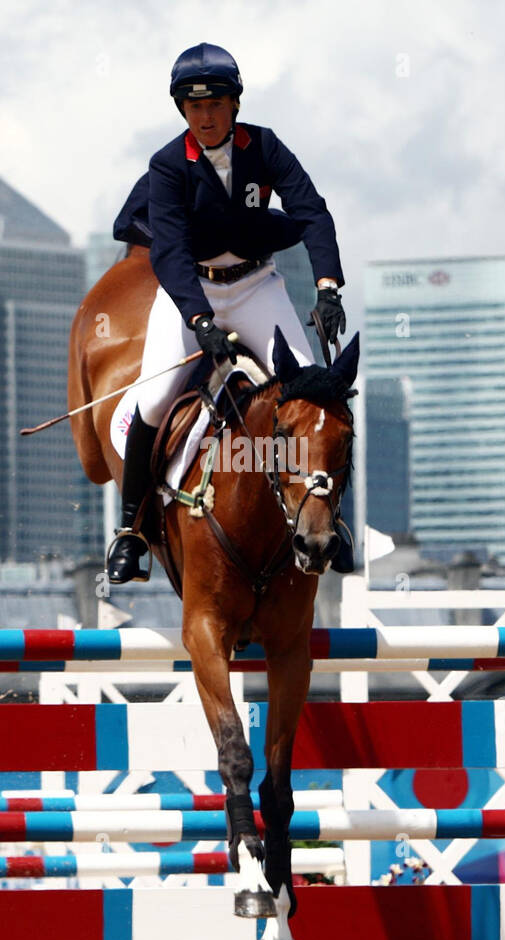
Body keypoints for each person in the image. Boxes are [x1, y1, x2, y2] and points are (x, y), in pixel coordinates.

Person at [107, 41, 351, 583]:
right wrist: (199, 322)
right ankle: (130, 529)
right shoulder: (168, 165)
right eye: (195, 108)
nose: (207, 116)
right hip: (192, 290)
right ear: (183, 112)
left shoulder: (265, 148)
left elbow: (310, 211)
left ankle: (336, 521)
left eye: (216, 104)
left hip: (254, 285)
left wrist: (327, 286)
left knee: (314, 394)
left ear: (235, 105)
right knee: (152, 401)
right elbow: (168, 253)